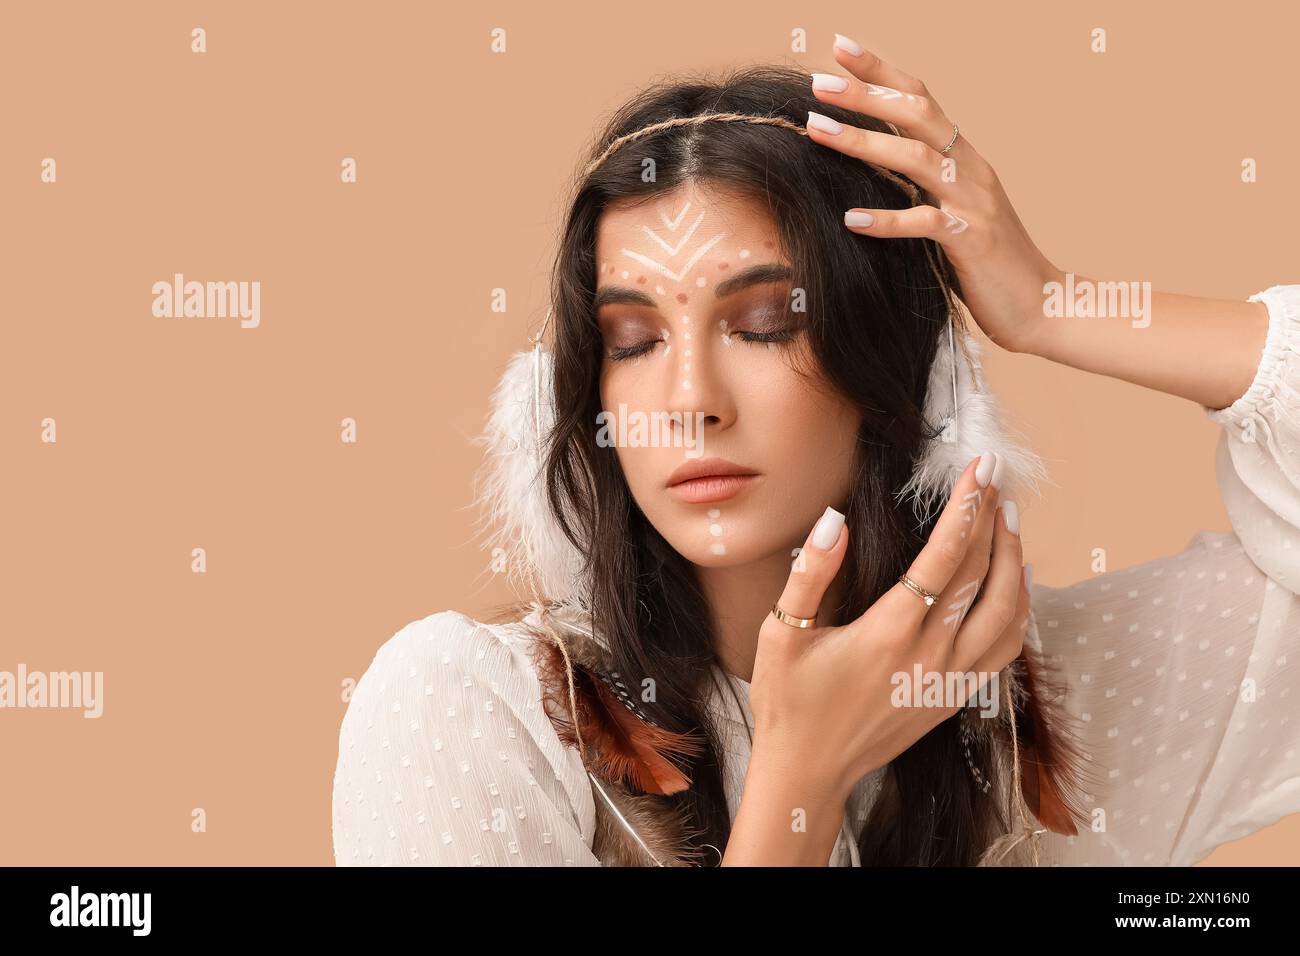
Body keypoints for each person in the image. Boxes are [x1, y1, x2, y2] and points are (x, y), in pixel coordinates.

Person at [331, 35, 1299, 866]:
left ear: (904, 377)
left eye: (761, 324)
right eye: (632, 341)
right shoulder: (471, 706)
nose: (687, 403)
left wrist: (1053, 306)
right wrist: (803, 775)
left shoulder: (1059, 699)